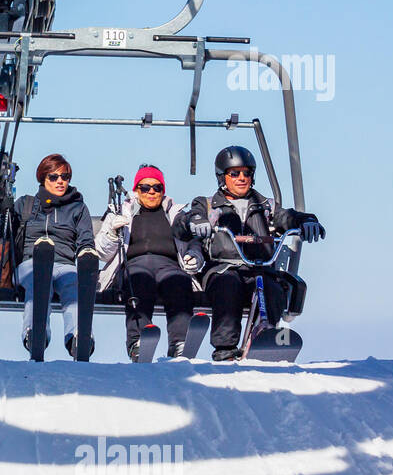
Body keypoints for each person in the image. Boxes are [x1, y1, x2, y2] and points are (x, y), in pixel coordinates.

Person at [173, 146, 325, 361]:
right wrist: (195, 222)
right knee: (228, 284)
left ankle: (264, 337)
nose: (241, 178)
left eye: (246, 173)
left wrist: (306, 221)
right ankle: (225, 348)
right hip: (222, 266)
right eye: (234, 173)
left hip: (258, 267)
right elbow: (184, 222)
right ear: (222, 177)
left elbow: (287, 217)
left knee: (270, 287)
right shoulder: (208, 204)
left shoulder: (265, 206)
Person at [97, 164, 204, 360]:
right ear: (137, 190)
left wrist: (194, 257)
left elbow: (193, 242)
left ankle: (179, 341)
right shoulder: (120, 211)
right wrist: (113, 232)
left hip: (168, 265)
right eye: (145, 188)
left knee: (179, 281)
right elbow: (101, 252)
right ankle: (137, 340)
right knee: (139, 280)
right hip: (134, 264)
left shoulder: (175, 213)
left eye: (157, 188)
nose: (151, 192)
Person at [11, 153, 96, 357]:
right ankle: (35, 332)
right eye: (54, 176)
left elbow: (85, 239)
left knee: (74, 283)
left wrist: (86, 254)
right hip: (31, 263)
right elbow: (6, 237)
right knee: (39, 279)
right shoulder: (26, 204)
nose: (60, 181)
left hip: (64, 263)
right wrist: (7, 215)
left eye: (65, 176)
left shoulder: (77, 208)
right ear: (43, 178)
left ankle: (78, 336)